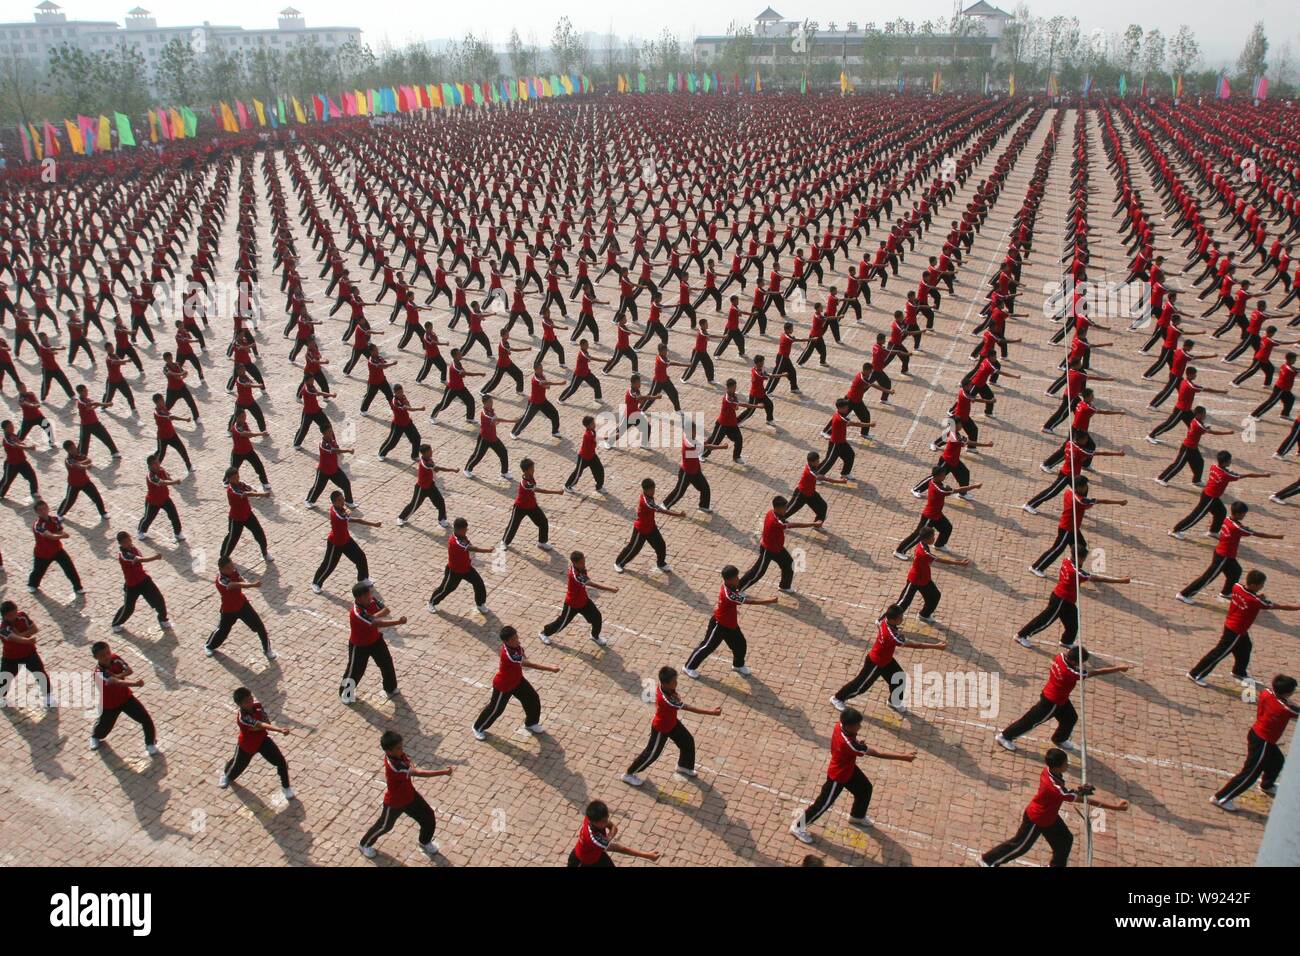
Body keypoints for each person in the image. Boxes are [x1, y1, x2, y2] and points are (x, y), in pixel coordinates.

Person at [980, 748, 1128, 867]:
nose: (1068, 765)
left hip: (1049, 817)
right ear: (1058, 766)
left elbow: (1066, 793)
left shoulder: (1049, 772)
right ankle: (988, 861)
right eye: (1066, 763)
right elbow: (1083, 800)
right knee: (1020, 846)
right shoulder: (1055, 788)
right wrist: (1116, 807)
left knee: (1065, 840)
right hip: (1037, 818)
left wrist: (1078, 791)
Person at [789, 707, 917, 844]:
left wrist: (858, 745)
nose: (860, 727)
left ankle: (857, 815)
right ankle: (797, 827)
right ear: (849, 726)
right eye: (858, 725)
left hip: (848, 768)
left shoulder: (839, 726)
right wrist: (903, 757)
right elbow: (877, 754)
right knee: (822, 804)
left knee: (865, 789)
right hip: (838, 776)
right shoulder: (851, 745)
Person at [996, 646, 1131, 752]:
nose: (1081, 665)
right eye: (1080, 662)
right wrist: (1117, 668)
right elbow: (1095, 673)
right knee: (1031, 721)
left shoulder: (1059, 656)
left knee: (1070, 718)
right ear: (1073, 661)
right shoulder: (1070, 673)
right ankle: (1005, 736)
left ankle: (1059, 738)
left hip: (1060, 698)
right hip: (1051, 701)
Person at [1188, 570, 1300, 687]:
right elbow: (1278, 606)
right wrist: (1297, 608)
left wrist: (1257, 596)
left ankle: (1239, 672)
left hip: (1232, 625)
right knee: (1219, 653)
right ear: (1253, 585)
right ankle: (1195, 674)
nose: (1262, 587)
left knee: (1245, 648)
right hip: (1235, 631)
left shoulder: (1237, 587)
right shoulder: (1255, 601)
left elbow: (1248, 596)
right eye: (1261, 584)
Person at [830, 605, 947, 714]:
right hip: (876, 663)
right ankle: (837, 698)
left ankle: (894, 702)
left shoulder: (884, 621)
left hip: (886, 660)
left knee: (899, 677)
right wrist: (936, 646)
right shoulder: (892, 636)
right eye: (900, 617)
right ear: (893, 619)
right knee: (860, 686)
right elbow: (917, 645)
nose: (902, 619)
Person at [357, 730, 453, 859]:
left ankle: (424, 841)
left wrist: (409, 763)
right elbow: (420, 773)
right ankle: (364, 844)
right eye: (398, 748)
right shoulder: (395, 765)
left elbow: (409, 761)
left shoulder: (398, 756)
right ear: (389, 751)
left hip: (410, 796)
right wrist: (443, 772)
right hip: (395, 802)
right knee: (385, 826)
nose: (402, 750)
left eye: (401, 746)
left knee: (428, 817)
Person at [622, 666, 723, 786]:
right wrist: (711, 712)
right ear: (665, 683)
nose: (676, 683)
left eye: (676, 680)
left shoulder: (664, 687)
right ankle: (628, 774)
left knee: (688, 742)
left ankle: (683, 766)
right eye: (673, 681)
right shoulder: (667, 699)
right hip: (661, 728)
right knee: (652, 754)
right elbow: (688, 708)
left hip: (672, 723)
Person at [1213, 674, 1298, 811]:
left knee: (1277, 761)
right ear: (1287, 692)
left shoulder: (1266, 692)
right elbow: (1293, 710)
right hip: (1263, 741)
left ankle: (1267, 785)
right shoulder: (1285, 708)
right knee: (1250, 774)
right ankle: (1221, 798)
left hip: (1256, 733)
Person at [1177, 501, 1284, 603]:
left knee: (1236, 571)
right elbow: (1257, 534)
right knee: (1207, 577)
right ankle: (1184, 594)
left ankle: (1226, 592)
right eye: (1243, 514)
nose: (1244, 516)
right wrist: (1276, 537)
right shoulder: (1237, 528)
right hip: (1223, 556)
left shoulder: (1228, 520)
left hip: (1225, 554)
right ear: (1237, 514)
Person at [683, 564, 779, 678]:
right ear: (729, 580)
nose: (738, 579)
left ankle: (738, 665)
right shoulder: (729, 594)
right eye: (736, 577)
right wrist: (769, 600)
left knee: (740, 645)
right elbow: (748, 601)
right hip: (719, 624)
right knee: (707, 646)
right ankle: (688, 667)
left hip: (730, 624)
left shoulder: (731, 586)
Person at [1015, 556, 1129, 647]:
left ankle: (1067, 641)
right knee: (1045, 620)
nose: (1084, 560)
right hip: (1061, 599)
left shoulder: (1067, 561)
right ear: (1080, 558)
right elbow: (1097, 578)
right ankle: (1021, 636)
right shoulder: (1076, 572)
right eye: (1084, 558)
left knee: (1072, 623)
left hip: (1066, 599)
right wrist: (1120, 581)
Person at [472, 625, 560, 740]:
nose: (516, 640)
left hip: (517, 680)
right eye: (513, 639)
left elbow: (523, 655)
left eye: (516, 637)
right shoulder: (509, 654)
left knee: (532, 698)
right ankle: (478, 727)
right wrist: (550, 668)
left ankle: (531, 723)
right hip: (504, 685)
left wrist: (523, 655)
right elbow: (528, 664)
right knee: (496, 709)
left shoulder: (516, 646)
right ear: (506, 642)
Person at [219, 687, 294, 802]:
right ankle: (227, 775)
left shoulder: (258, 706)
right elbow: (261, 725)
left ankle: (286, 787)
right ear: (240, 704)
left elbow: (265, 722)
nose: (251, 702)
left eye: (250, 698)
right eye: (246, 701)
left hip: (262, 740)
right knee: (237, 765)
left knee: (280, 761)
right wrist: (279, 730)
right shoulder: (242, 717)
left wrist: (258, 728)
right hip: (247, 745)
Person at [736, 496, 823, 593]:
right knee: (757, 572)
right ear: (777, 508)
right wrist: (812, 523)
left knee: (788, 564)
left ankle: (784, 586)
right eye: (784, 508)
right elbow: (793, 525)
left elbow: (785, 521)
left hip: (777, 548)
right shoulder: (776, 522)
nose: (786, 510)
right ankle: (738, 590)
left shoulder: (771, 512)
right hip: (768, 549)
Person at [340, 581, 408, 703]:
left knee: (386, 663)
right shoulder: (357, 613)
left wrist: (372, 616)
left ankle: (390, 688)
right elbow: (378, 623)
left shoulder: (371, 600)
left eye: (370, 594)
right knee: (355, 671)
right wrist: (398, 622)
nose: (370, 598)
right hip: (359, 645)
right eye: (367, 596)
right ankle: (345, 694)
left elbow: (386, 610)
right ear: (359, 598)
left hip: (375, 640)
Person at [89, 641, 159, 756]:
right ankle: (95, 736)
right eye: (102, 655)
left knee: (145, 719)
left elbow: (129, 670)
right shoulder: (99, 672)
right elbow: (117, 682)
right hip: (110, 704)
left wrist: (117, 676)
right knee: (104, 726)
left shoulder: (116, 659)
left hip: (125, 698)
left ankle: (150, 743)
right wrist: (135, 684)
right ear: (96, 658)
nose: (106, 657)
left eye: (108, 653)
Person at [894, 525, 972, 624]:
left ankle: (924, 614)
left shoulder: (923, 544)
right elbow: (939, 560)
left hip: (924, 579)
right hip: (915, 580)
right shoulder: (924, 552)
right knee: (903, 603)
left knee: (935, 596)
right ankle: (884, 620)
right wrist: (959, 563)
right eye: (932, 537)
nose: (934, 538)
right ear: (926, 539)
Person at [540, 551, 618, 646]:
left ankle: (595, 636)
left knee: (597, 617)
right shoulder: (576, 575)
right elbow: (594, 585)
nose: (584, 564)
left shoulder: (581, 568)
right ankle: (544, 633)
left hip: (584, 601)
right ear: (575, 563)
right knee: (561, 623)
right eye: (582, 562)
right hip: (572, 604)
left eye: (584, 561)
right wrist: (611, 589)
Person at [312, 492, 380, 593]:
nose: (343, 501)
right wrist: (347, 513)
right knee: (329, 565)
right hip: (335, 543)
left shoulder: (341, 509)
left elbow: (354, 518)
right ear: (334, 502)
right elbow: (344, 517)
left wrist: (373, 524)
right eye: (340, 500)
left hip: (346, 540)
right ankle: (316, 583)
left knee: (360, 557)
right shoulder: (336, 514)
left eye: (343, 498)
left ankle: (363, 579)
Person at [614, 478, 685, 574]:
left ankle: (661, 563)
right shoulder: (646, 502)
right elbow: (660, 510)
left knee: (661, 545)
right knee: (633, 549)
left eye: (654, 489)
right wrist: (678, 515)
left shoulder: (648, 496)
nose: (653, 492)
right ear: (646, 490)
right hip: (641, 529)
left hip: (651, 527)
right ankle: (618, 563)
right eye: (652, 490)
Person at [567, 799, 660, 866]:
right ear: (594, 822)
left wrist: (608, 838)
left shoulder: (592, 817)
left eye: (607, 817)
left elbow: (613, 827)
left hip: (597, 855)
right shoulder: (595, 838)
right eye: (603, 821)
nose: (606, 821)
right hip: (582, 862)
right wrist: (647, 855)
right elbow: (621, 849)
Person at [427, 517, 492, 614]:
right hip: (454, 571)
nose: (466, 531)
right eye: (465, 529)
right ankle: (431, 603)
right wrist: (487, 550)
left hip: (466, 568)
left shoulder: (461, 536)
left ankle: (480, 604)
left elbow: (468, 543)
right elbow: (471, 548)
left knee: (479, 584)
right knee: (445, 589)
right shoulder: (456, 542)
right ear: (460, 530)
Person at [110, 531, 171, 633]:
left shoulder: (134, 549)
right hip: (132, 585)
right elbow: (139, 559)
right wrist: (155, 558)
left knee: (159, 600)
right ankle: (116, 623)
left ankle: (163, 619)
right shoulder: (124, 555)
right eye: (125, 542)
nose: (129, 543)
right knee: (128, 608)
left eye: (129, 540)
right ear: (120, 544)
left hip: (144, 580)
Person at [501, 458, 561, 550]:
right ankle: (504, 542)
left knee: (543, 522)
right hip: (520, 507)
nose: (534, 470)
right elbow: (541, 490)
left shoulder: (530, 476)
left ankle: (542, 542)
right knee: (513, 525)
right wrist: (556, 492)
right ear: (526, 470)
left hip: (532, 506)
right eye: (532, 468)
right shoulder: (525, 483)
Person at [0, 601, 52, 707]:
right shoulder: (3, 628)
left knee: (40, 674)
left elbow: (35, 629)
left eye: (15, 613)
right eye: (11, 615)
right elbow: (14, 638)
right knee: (5, 678)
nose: (14, 616)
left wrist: (21, 635)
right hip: (11, 657)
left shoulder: (22, 616)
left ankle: (48, 696)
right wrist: (27, 640)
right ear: (5, 616)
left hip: (29, 653)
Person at [27, 499, 83, 595]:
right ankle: (32, 584)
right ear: (36, 512)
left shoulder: (55, 520)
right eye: (40, 510)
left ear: (48, 508)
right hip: (42, 553)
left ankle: (78, 587)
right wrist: (63, 536)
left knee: (69, 568)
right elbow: (50, 536)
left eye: (45, 508)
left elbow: (59, 531)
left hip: (57, 550)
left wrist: (62, 534)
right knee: (38, 571)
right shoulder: (38, 525)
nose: (43, 511)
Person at [397, 443, 454, 528]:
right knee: (414, 504)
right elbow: (437, 468)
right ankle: (401, 518)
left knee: (440, 501)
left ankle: (441, 519)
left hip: (431, 486)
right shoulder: (424, 463)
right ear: (425, 453)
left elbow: (434, 469)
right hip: (421, 488)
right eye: (430, 451)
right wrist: (452, 470)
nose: (431, 452)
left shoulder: (429, 459)